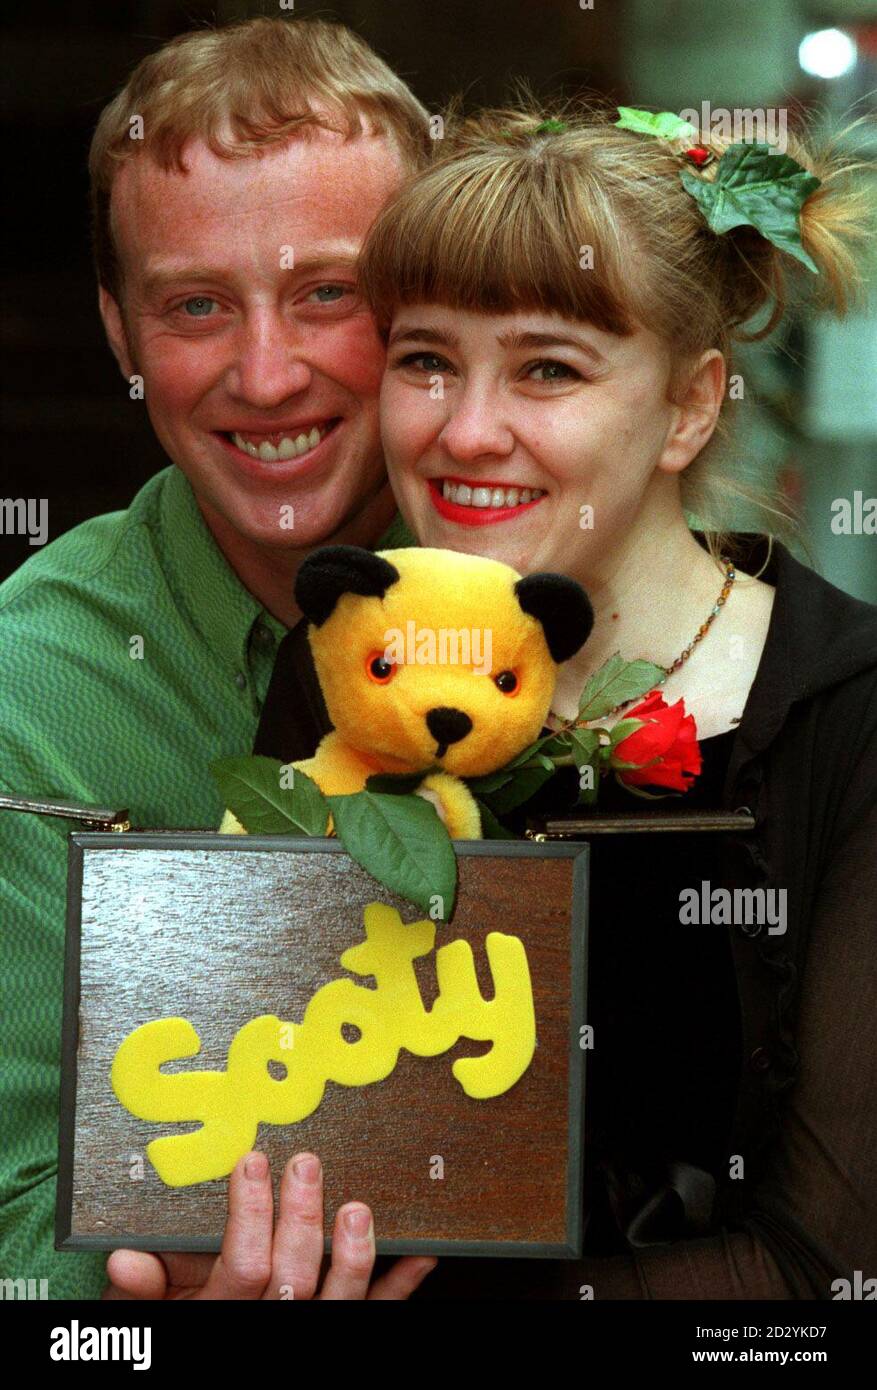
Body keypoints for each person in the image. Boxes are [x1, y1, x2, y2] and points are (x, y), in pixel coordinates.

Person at [344, 98, 877, 1297]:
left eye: (547, 368)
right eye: (425, 360)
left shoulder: (849, 718)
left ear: (690, 406)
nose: (464, 431)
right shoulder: (353, 676)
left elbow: (825, 1269)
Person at [0, 15, 436, 1302]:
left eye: (327, 294)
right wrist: (156, 1297)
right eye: (195, 305)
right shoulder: (27, 686)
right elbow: (12, 1216)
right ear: (119, 335)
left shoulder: (558, 602)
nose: (265, 372)